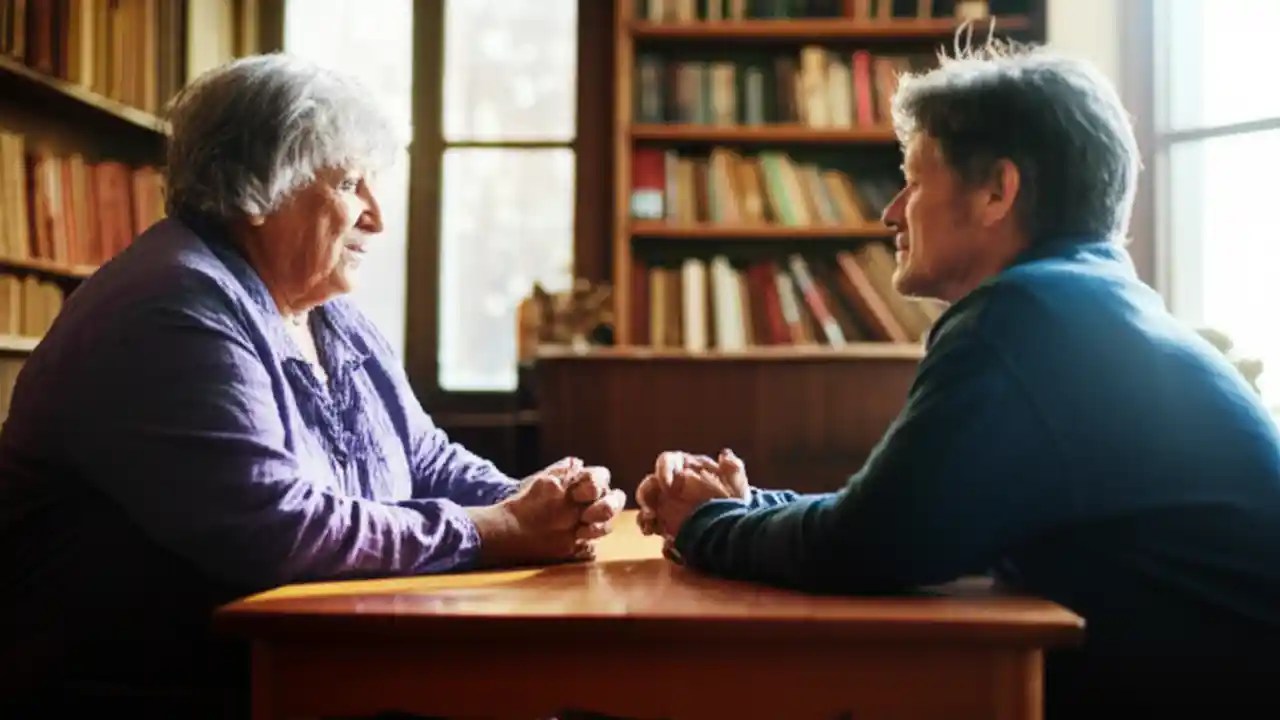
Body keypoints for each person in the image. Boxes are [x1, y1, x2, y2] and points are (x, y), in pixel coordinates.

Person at [636, 40, 1280, 717]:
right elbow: (919, 518)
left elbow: (866, 548)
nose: (892, 212)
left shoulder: (1022, 316)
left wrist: (707, 524)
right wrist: (749, 505)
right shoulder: (1090, 304)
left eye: (913, 179)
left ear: (997, 191)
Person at [0, 54, 624, 716]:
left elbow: (423, 458)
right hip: (135, 690)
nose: (377, 216)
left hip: (297, 665)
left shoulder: (326, 311)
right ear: (258, 189)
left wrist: (545, 502)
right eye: (351, 182)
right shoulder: (173, 307)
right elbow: (278, 530)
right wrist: (496, 529)